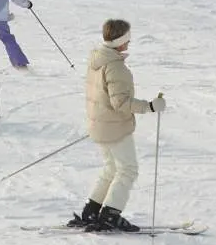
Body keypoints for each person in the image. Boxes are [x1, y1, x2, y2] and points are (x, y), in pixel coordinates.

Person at [70, 19, 163, 233]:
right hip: (114, 127)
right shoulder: (115, 66)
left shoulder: (98, 58)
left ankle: (92, 210)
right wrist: (150, 106)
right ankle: (110, 214)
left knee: (111, 168)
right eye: (127, 39)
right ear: (120, 41)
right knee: (128, 169)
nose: (129, 43)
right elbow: (120, 103)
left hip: (100, 124)